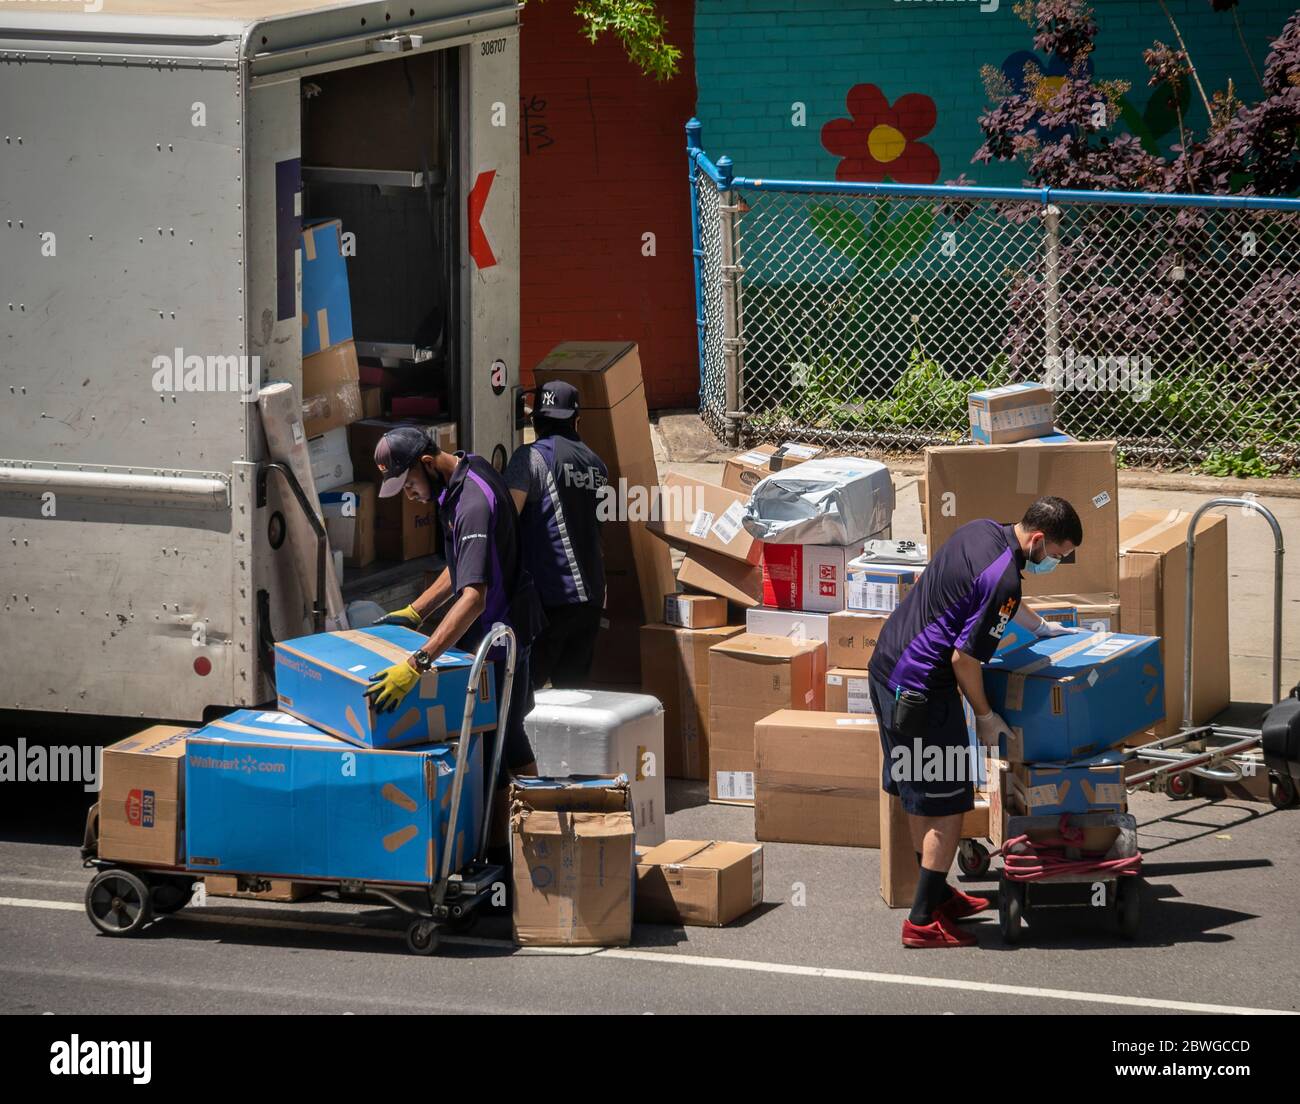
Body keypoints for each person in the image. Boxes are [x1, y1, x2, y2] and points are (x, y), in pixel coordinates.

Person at [867, 495, 1084, 948]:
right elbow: (964, 659)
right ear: (1039, 539)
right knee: (946, 805)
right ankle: (922, 921)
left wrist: (1040, 628)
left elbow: (993, 599)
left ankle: (938, 892)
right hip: (923, 692)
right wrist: (985, 717)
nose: (1055, 564)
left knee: (919, 790)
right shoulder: (1005, 580)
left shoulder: (982, 527)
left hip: (889, 668)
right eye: (1057, 557)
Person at [364, 426, 544, 858]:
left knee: (498, 747)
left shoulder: (473, 504)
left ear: (427, 464)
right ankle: (528, 843)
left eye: (408, 484)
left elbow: (474, 596)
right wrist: (417, 611)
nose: (408, 495)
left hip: (503, 638)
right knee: (508, 737)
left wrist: (418, 662)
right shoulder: (466, 471)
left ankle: (505, 855)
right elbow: (463, 565)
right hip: (506, 628)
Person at [504, 380, 608, 689]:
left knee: (523, 698)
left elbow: (506, 521)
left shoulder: (530, 458)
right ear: (577, 421)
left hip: (548, 602)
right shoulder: (597, 465)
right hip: (591, 599)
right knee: (571, 700)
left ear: (535, 421)